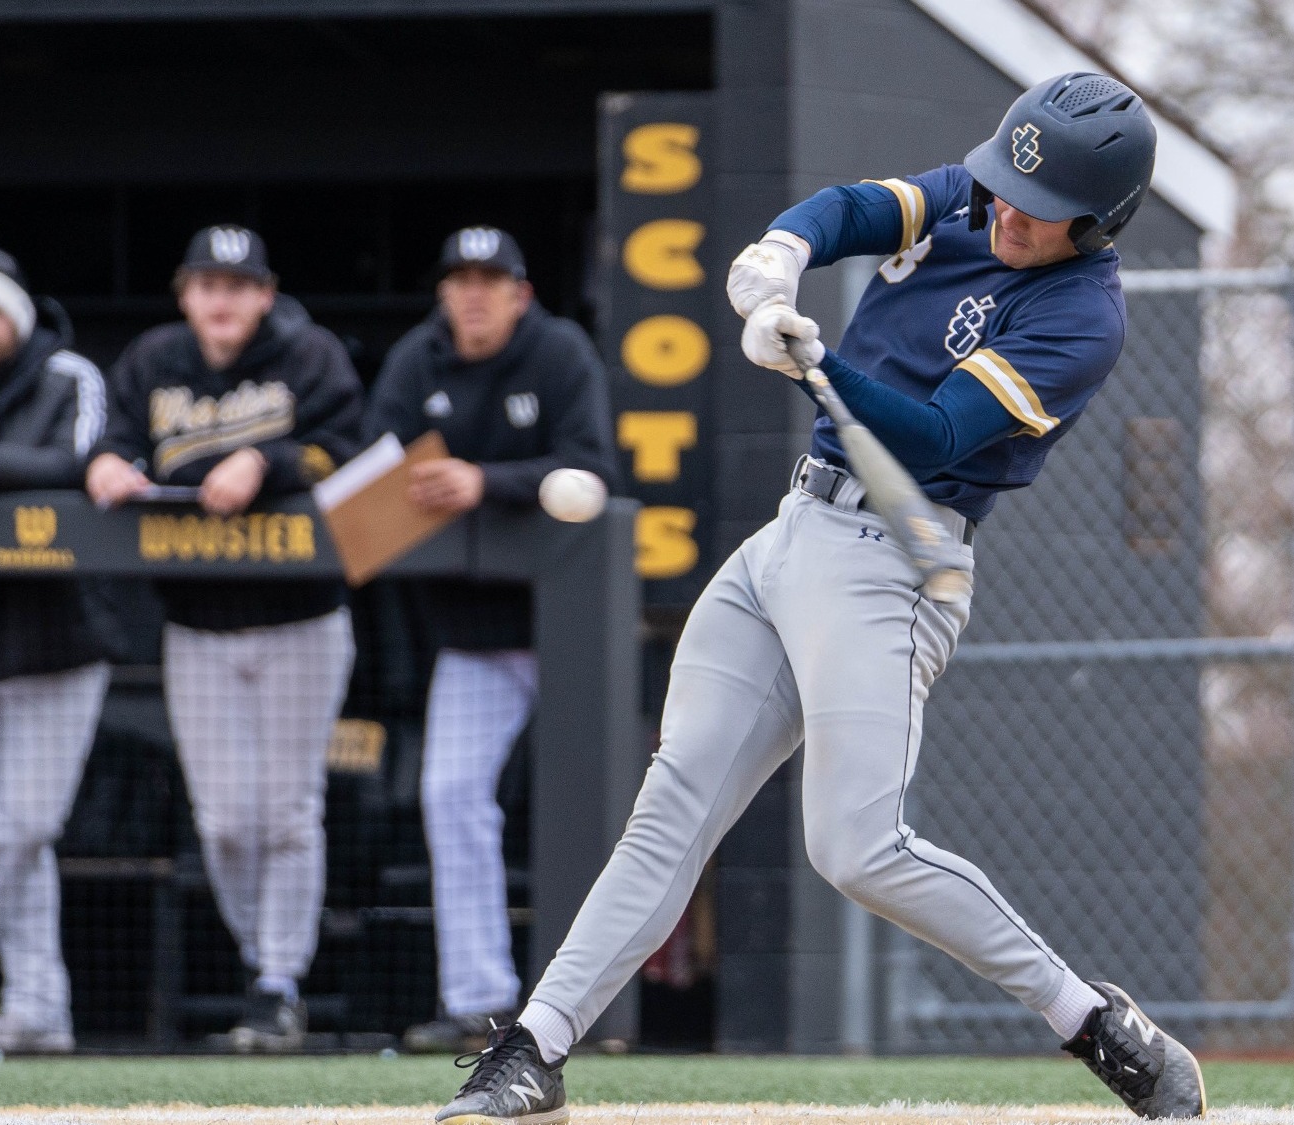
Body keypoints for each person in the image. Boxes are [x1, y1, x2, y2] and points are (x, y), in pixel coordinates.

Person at [434, 72, 1206, 1124]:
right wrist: (783, 252)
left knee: (857, 850)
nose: (1009, 214)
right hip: (793, 531)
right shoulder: (980, 196)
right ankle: (534, 1048)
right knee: (672, 802)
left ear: (1100, 222)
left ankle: (1087, 1016)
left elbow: (936, 435)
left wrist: (814, 366)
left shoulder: (1081, 317)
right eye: (1007, 189)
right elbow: (851, 209)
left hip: (892, 564)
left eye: (1043, 209)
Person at [86, 225, 362, 1052]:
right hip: (197, 623)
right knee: (225, 821)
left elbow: (347, 452)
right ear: (185, 294)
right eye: (208, 285)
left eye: (239, 286)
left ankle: (277, 981)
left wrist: (266, 462)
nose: (223, 300)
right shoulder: (152, 359)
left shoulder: (309, 354)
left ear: (265, 294)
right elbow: (115, 440)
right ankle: (261, 960)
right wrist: (105, 465)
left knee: (288, 811)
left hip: (300, 617)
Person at [361, 226, 616, 1054]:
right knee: (450, 794)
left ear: (520, 292)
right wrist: (419, 485)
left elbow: (593, 468)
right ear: (443, 292)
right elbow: (371, 476)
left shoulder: (558, 352)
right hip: (474, 634)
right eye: (460, 280)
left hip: (569, 628)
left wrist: (485, 482)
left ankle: (595, 1001)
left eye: (489, 280)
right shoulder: (417, 361)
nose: (473, 294)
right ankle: (478, 1000)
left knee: (603, 810)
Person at [0, 247, 110, 1054]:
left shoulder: (67, 374)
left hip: (59, 634)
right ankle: (39, 1006)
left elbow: (85, 461)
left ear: (17, 317)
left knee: (19, 823)